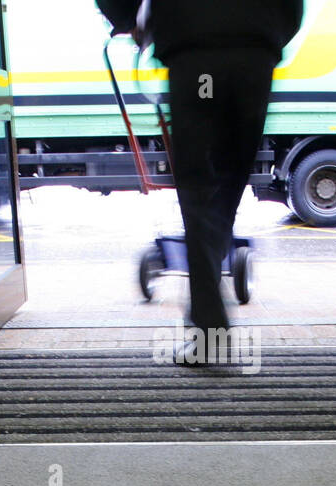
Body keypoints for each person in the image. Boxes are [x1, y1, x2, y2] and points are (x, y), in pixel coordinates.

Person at [97, 0, 303, 363]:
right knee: (227, 186)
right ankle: (211, 320)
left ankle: (209, 331)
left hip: (196, 57)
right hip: (254, 54)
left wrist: (130, 19)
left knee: (200, 191)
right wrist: (269, 31)